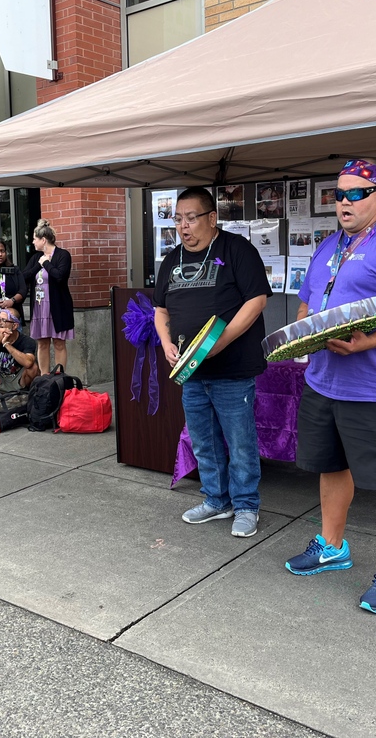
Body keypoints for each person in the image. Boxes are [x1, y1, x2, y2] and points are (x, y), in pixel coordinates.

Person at [284, 158, 376, 615]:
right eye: (339, 194)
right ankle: (332, 545)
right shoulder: (328, 244)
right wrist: (303, 332)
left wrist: (368, 341)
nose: (344, 203)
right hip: (324, 380)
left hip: (375, 386)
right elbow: (308, 302)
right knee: (331, 465)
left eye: (356, 194)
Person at [154, 186, 272, 539]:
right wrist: (164, 344)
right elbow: (160, 310)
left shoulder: (237, 250)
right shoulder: (171, 260)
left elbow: (256, 302)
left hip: (233, 370)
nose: (184, 226)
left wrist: (219, 344)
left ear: (211, 218)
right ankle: (216, 500)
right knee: (203, 440)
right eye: (178, 219)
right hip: (190, 372)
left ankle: (246, 505)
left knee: (239, 442)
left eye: (191, 218)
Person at [22, 219, 74, 373]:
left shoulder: (63, 255)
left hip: (57, 306)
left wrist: (46, 263)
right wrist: (40, 263)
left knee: (59, 342)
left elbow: (59, 276)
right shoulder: (35, 258)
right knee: (42, 343)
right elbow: (24, 276)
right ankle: (44, 376)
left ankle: (60, 376)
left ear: (43, 240)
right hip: (39, 307)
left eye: (34, 239)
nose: (32, 242)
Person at [0, 309, 40, 396]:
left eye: (4, 320)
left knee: (33, 368)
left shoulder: (27, 341)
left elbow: (28, 363)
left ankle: (27, 396)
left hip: (19, 379)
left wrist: (6, 344)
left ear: (15, 325)